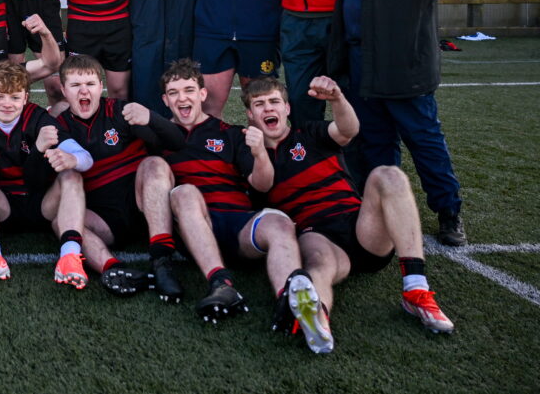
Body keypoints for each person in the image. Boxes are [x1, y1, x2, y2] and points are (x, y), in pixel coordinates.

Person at [248, 76, 456, 353]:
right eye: (259, 104)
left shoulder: (309, 133)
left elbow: (348, 130)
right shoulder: (251, 154)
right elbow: (258, 187)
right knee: (318, 262)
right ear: (250, 115)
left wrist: (337, 99)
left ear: (286, 108)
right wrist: (259, 152)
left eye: (274, 101)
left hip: (361, 227)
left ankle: (415, 289)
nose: (267, 109)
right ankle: (317, 318)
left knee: (389, 174)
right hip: (316, 233)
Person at [329, 0, 478, 246]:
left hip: (404, 67)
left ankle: (449, 212)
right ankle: (385, 208)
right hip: (361, 64)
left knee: (425, 142)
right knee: (375, 145)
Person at [157, 59, 311, 323]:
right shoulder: (157, 137)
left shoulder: (232, 133)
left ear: (202, 94)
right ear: (165, 100)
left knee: (278, 222)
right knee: (185, 193)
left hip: (238, 222)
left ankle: (293, 301)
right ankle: (221, 283)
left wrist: (260, 153)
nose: (182, 98)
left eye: (189, 90)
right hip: (192, 222)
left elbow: (262, 185)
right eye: (174, 93)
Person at [0, 62, 93, 288]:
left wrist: (72, 159)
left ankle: (70, 257)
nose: (6, 104)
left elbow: (85, 158)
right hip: (2, 208)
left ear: (25, 98)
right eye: (0, 96)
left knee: (72, 176)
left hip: (42, 204)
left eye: (14, 98)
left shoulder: (38, 118)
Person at [53, 55, 186, 297]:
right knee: (61, 221)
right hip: (105, 218)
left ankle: (161, 259)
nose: (84, 91)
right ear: (63, 89)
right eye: (75, 85)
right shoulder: (58, 126)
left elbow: (176, 142)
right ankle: (113, 268)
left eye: (90, 84)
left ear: (101, 86)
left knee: (154, 164)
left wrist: (151, 118)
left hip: (143, 205)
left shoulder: (119, 110)